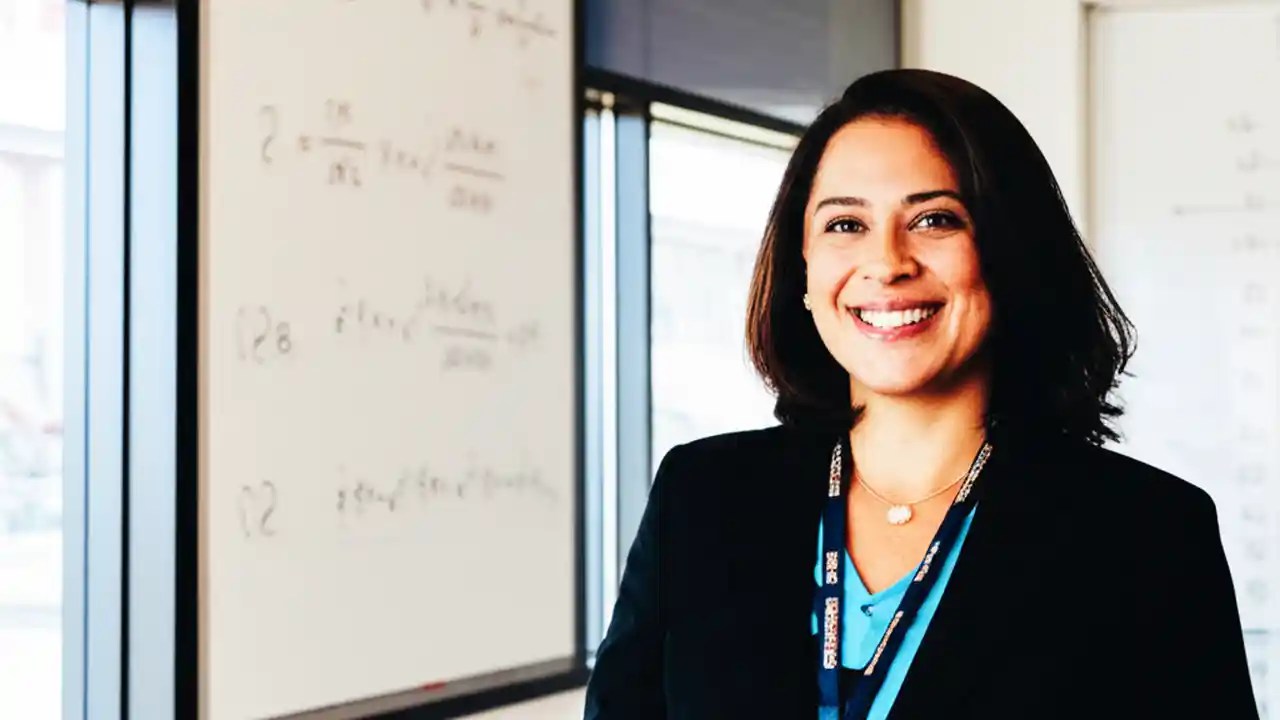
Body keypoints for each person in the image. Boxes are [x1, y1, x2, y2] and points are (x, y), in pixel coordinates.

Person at [582, 69, 1259, 719]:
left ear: (1008, 252)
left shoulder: (1148, 533)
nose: (887, 262)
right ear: (804, 273)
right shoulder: (703, 496)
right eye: (845, 225)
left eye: (935, 220)